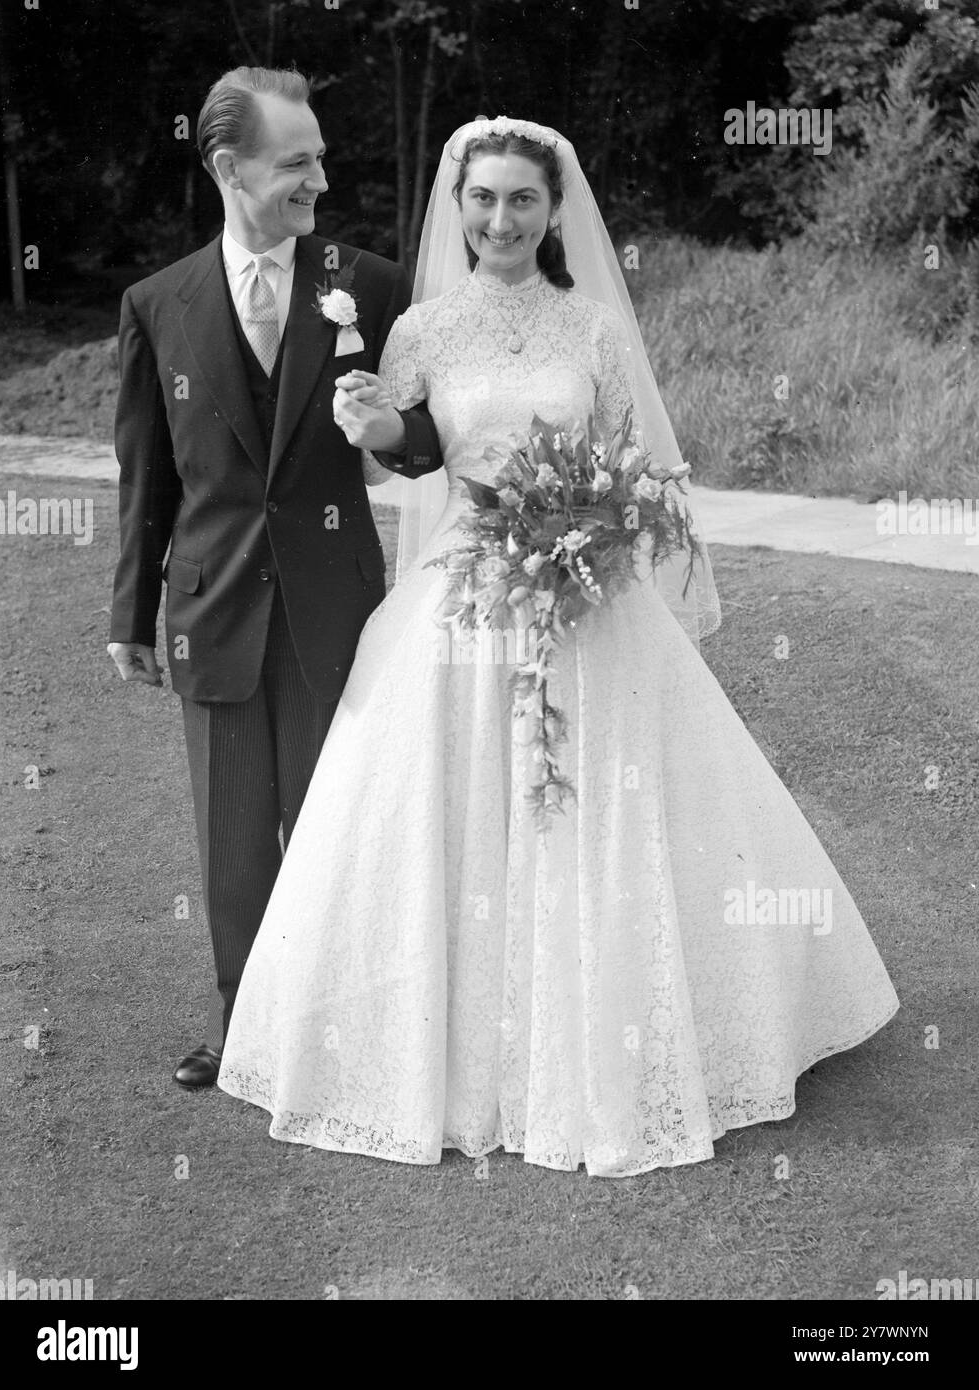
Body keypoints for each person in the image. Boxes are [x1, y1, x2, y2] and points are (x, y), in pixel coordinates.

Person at [216, 118, 898, 1177]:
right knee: (443, 812)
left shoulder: (590, 329)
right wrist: (370, 424)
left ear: (551, 209)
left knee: (594, 809)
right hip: (455, 598)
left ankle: (624, 1034)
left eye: (519, 200)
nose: (499, 218)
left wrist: (597, 525)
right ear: (459, 208)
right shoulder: (423, 330)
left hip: (586, 600)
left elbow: (639, 466)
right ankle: (429, 1047)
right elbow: (413, 458)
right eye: (481, 199)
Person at [106, 67, 443, 1089]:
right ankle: (244, 1027)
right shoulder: (156, 305)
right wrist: (130, 611)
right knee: (233, 842)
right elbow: (146, 476)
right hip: (208, 609)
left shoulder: (372, 284)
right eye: (296, 161)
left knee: (339, 825)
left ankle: (349, 1028)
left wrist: (398, 432)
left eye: (320, 157)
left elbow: (430, 433)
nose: (317, 179)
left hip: (335, 610)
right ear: (227, 166)